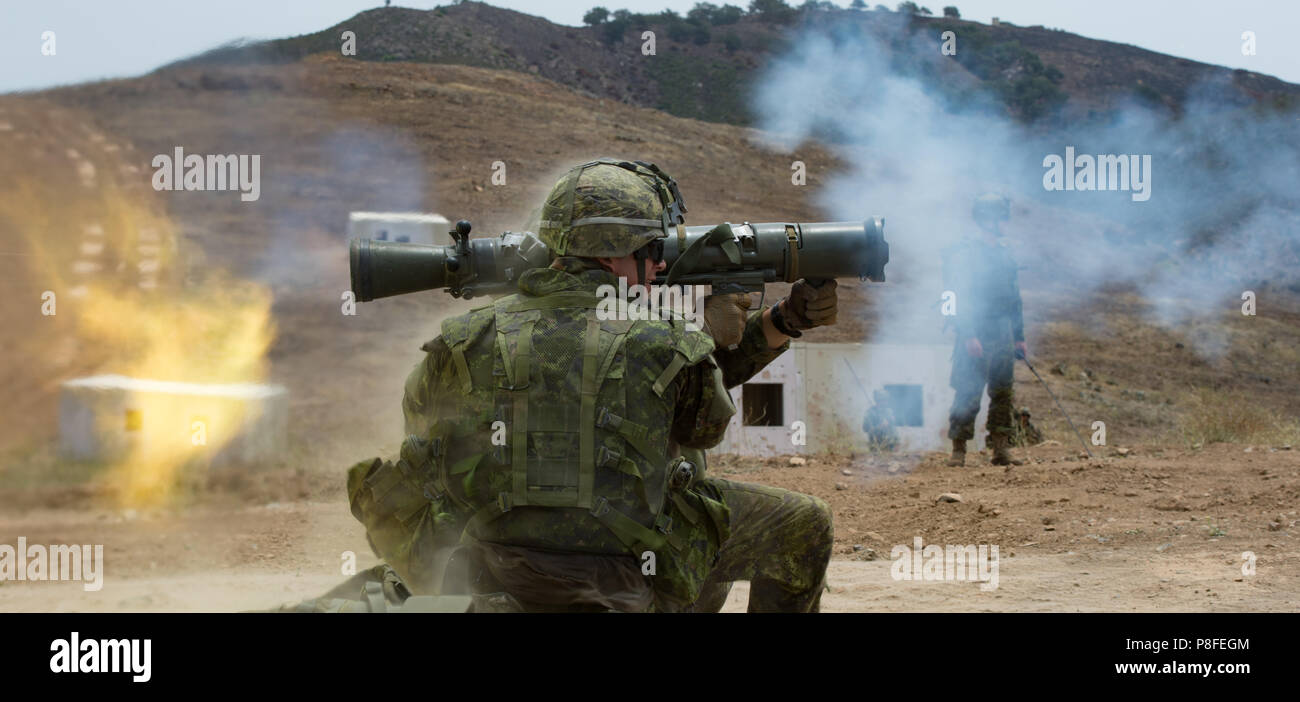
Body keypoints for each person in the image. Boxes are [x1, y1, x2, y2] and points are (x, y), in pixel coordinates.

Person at [337, 158, 839, 612]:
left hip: (490, 570)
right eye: (651, 248)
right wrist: (704, 337)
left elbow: (420, 435)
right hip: (623, 574)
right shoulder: (660, 337)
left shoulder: (462, 340)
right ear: (614, 253)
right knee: (800, 523)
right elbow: (701, 426)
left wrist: (778, 324)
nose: (661, 263)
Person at [943, 194, 1026, 467]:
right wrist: (968, 334)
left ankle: (1001, 449)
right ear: (988, 219)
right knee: (968, 392)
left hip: (1002, 333)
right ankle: (958, 450)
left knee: (1003, 393)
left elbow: (1014, 300)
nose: (1005, 223)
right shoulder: (966, 254)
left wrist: (1019, 338)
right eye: (1001, 217)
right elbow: (957, 297)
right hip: (976, 331)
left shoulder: (1005, 255)